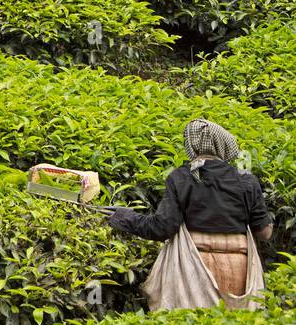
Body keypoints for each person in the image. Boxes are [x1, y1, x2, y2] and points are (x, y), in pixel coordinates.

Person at [107, 119, 274, 311]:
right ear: (223, 146)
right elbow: (264, 233)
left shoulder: (181, 177)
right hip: (240, 267)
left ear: (191, 145)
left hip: (194, 266)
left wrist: (125, 217)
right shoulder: (246, 180)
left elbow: (162, 227)